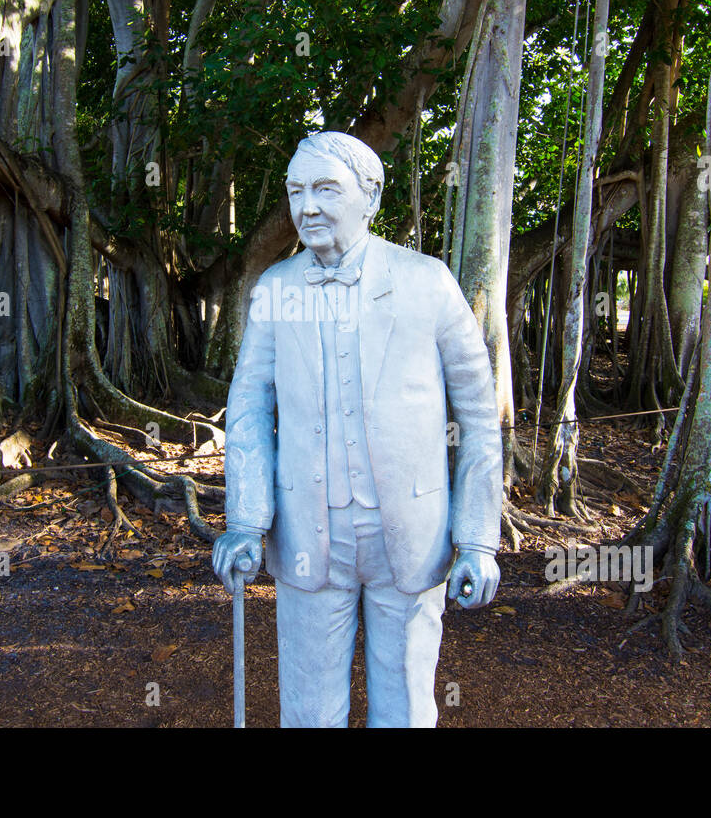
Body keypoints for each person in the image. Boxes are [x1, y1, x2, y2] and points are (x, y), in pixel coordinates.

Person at [211, 131, 503, 727]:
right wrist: (245, 522)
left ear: (370, 196)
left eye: (325, 189)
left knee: (405, 704)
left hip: (412, 533)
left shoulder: (428, 282)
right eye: (296, 191)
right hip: (306, 535)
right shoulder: (275, 290)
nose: (307, 206)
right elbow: (247, 412)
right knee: (309, 708)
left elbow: (477, 418)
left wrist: (477, 538)